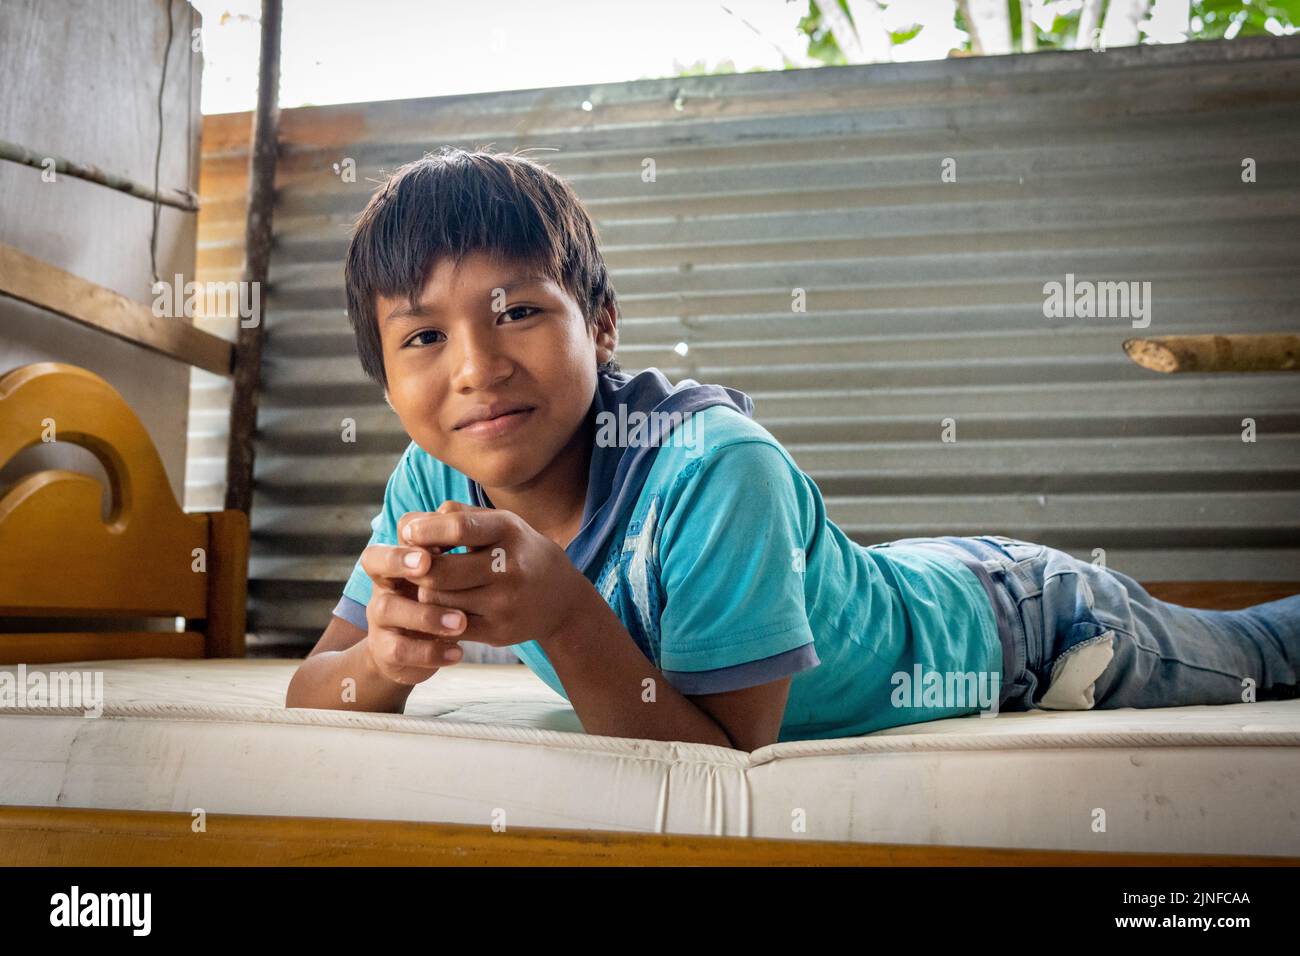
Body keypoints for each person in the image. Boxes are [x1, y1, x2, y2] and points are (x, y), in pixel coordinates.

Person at [285, 147, 1300, 752]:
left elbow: (722, 750)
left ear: (597, 325)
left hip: (1030, 629)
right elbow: (314, 686)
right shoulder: (431, 476)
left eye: (515, 310)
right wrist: (382, 658)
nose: (474, 366)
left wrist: (562, 607)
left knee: (1263, 651)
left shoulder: (713, 468)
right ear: (385, 378)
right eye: (422, 335)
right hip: (904, 580)